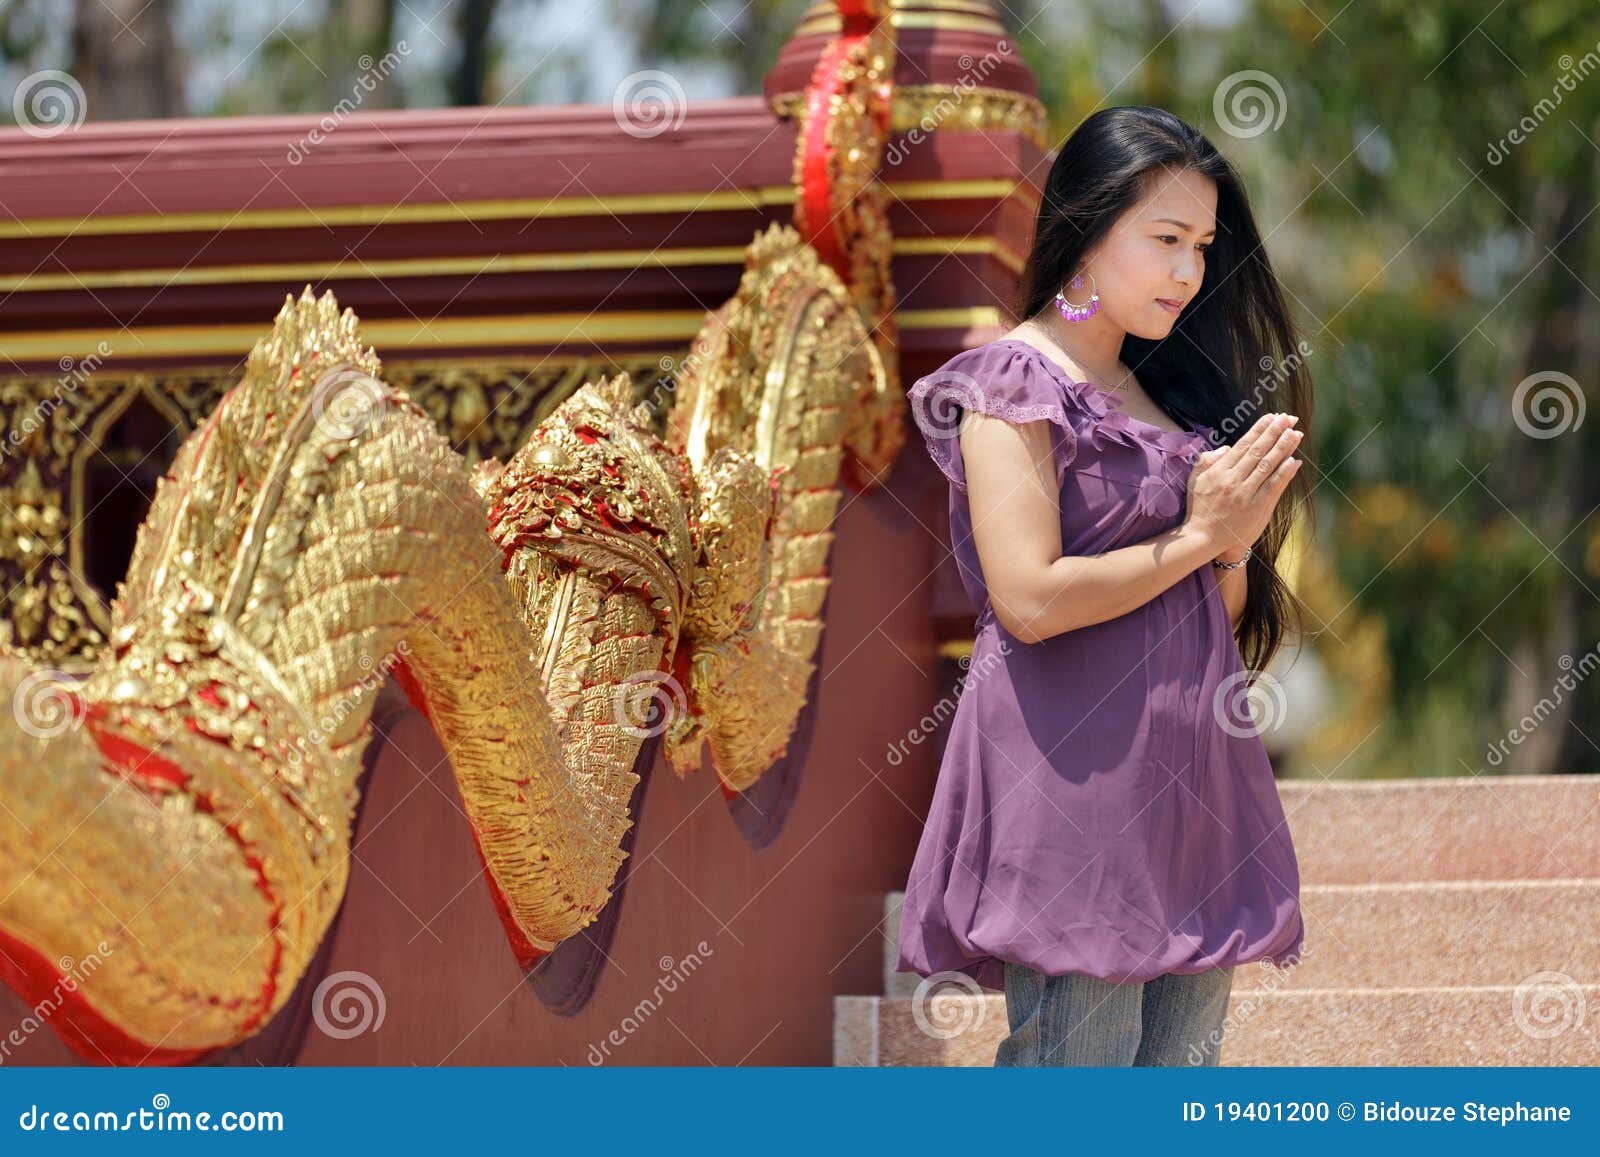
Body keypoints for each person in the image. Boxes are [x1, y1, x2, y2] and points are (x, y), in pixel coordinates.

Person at [896, 105, 1314, 1067]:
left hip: (1192, 787)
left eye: (1202, 246)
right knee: (1078, 1080)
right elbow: (1029, 598)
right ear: (1087, 230)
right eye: (1165, 239)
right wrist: (1197, 537)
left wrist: (1232, 546)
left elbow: (1220, 612)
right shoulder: (1010, 384)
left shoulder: (1168, 400)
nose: (1188, 272)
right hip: (1074, 788)